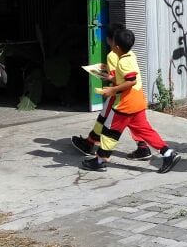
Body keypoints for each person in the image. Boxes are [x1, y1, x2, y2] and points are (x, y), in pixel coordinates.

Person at [80, 28, 181, 173]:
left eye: (113, 43)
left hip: (125, 105)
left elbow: (131, 81)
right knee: (146, 131)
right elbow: (126, 78)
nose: (111, 44)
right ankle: (168, 154)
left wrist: (112, 90)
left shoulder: (122, 62)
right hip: (137, 102)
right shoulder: (129, 56)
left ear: (117, 47)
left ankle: (100, 160)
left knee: (109, 132)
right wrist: (110, 78)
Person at [71, 23, 152, 160]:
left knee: (105, 121)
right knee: (135, 123)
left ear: (110, 40)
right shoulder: (130, 53)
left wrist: (105, 76)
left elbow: (118, 79)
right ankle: (143, 147)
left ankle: (93, 147)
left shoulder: (112, 55)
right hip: (135, 94)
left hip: (119, 96)